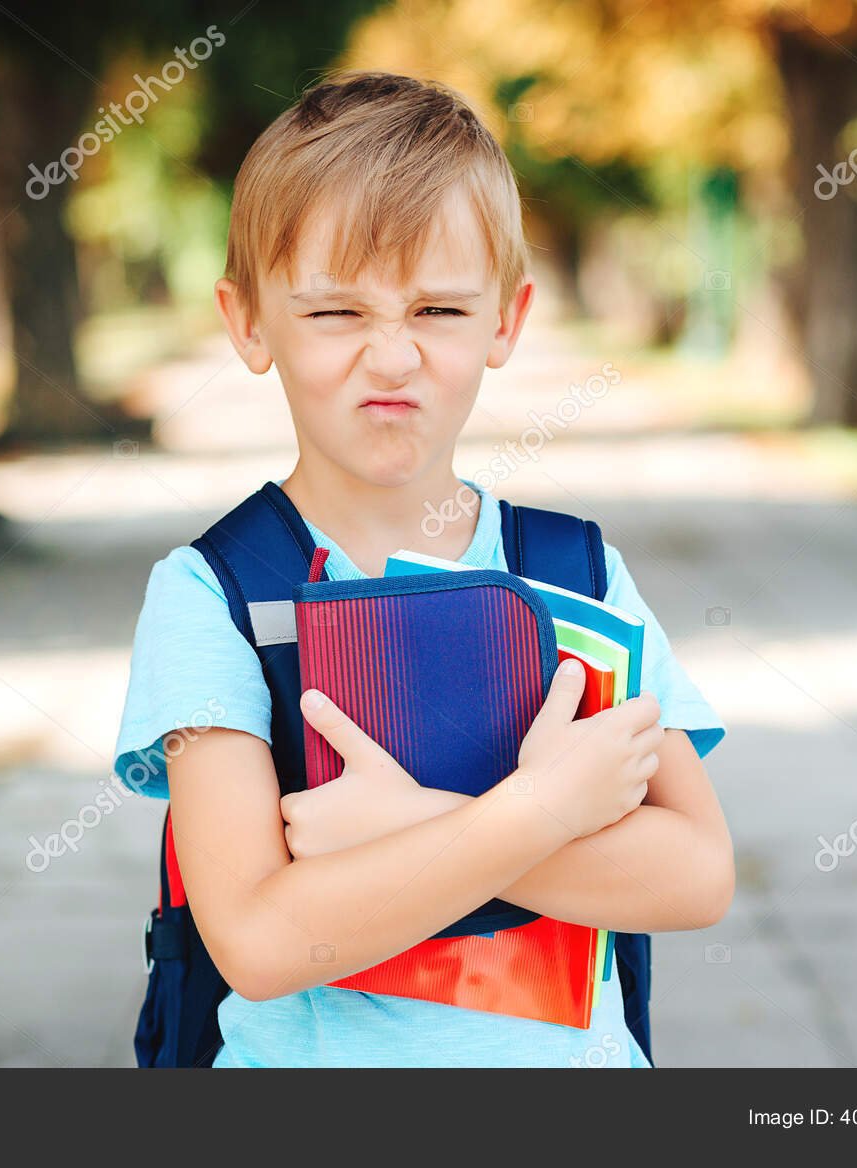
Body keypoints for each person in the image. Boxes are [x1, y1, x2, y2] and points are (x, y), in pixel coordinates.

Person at [112, 71, 732, 1067]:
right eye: (334, 313)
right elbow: (265, 940)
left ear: (505, 322)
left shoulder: (571, 570)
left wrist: (417, 825)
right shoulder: (215, 597)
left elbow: (696, 871)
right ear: (246, 322)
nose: (392, 356)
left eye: (438, 309)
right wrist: (540, 814)